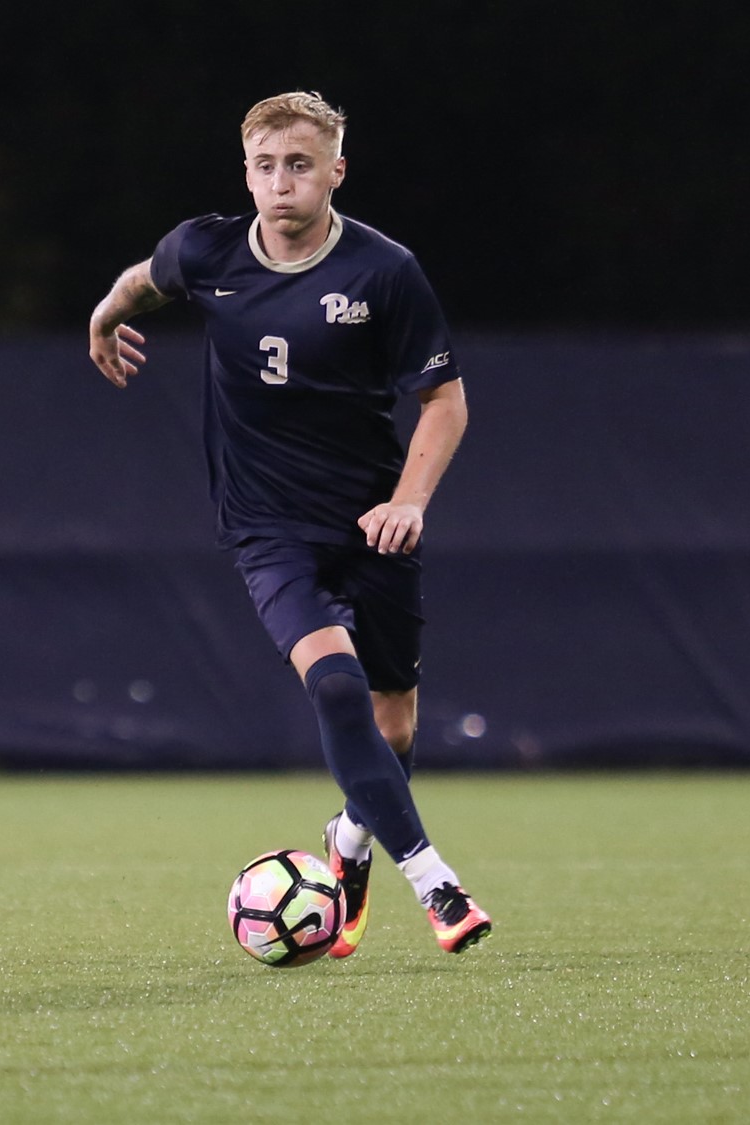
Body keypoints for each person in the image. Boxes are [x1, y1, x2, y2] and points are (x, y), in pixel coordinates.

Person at [87, 91, 489, 955]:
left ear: (336, 172)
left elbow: (445, 401)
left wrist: (409, 500)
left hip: (373, 518)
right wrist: (105, 315)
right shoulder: (209, 248)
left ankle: (348, 844)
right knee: (335, 687)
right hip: (266, 525)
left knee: (395, 722)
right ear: (246, 172)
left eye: (300, 165)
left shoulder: (384, 272)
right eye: (265, 166)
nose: (281, 183)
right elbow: (143, 280)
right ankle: (435, 880)